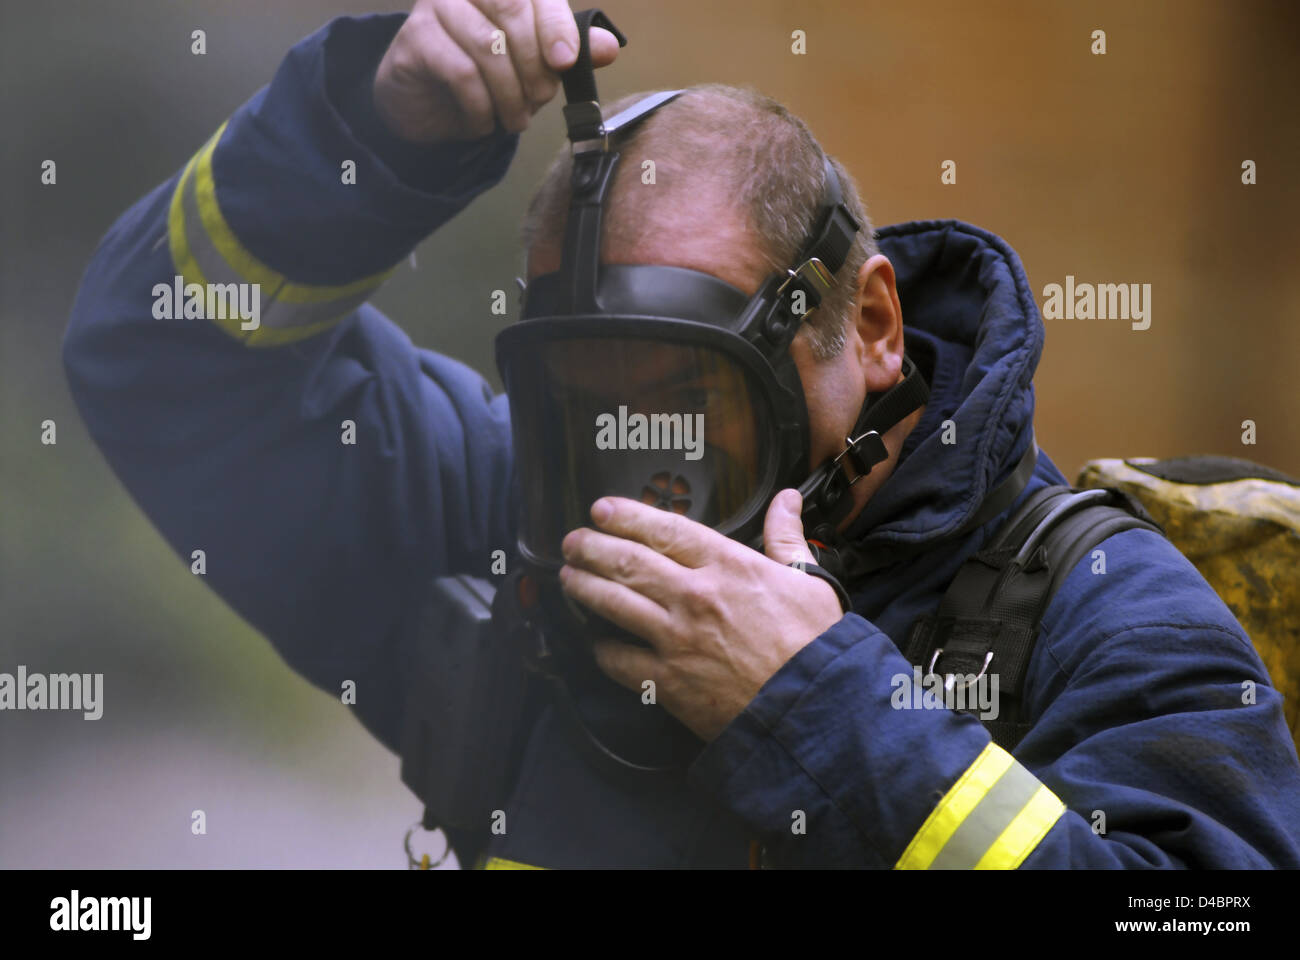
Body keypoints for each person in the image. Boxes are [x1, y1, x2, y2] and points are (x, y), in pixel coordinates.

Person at [63, 1, 1300, 869]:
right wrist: (369, 138)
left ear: (870, 325)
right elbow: (163, 355)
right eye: (584, 397)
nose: (635, 469)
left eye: (689, 385)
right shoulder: (511, 540)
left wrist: (821, 714)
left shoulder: (1110, 622)